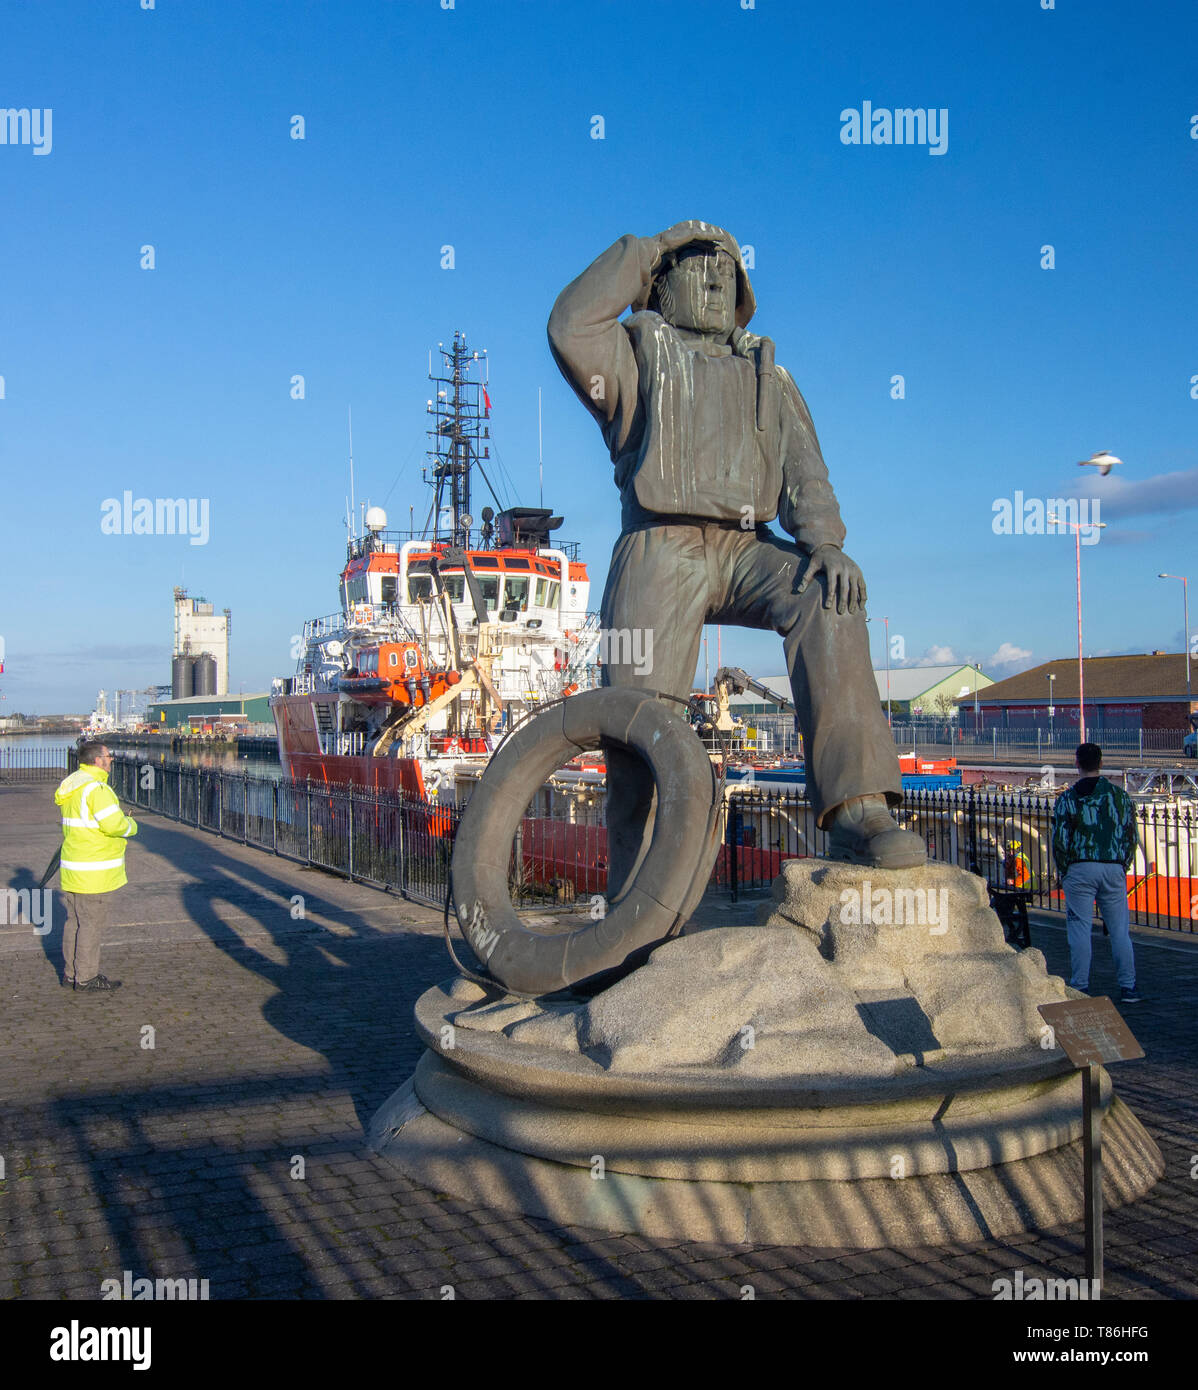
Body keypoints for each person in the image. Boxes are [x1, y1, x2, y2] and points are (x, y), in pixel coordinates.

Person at [548, 220, 924, 897]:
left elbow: (807, 475)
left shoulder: (768, 375)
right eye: (700, 266)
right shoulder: (635, 359)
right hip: (660, 545)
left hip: (747, 546)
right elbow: (570, 324)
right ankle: (639, 900)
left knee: (826, 595)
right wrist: (648, 248)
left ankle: (858, 809)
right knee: (638, 724)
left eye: (730, 269)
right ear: (660, 286)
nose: (720, 278)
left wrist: (827, 544)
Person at [1051, 743, 1141, 1002]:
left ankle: (1080, 986)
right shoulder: (1119, 796)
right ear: (1101, 763)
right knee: (1120, 930)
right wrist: (1123, 864)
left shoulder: (1067, 799)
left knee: (1079, 929)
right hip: (1112, 866)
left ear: (1076, 763)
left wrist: (1065, 870)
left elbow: (1060, 840)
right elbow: (1130, 835)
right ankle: (1129, 986)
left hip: (1079, 868)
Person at [53, 741, 138, 992]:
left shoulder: (73, 784)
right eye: (109, 756)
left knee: (74, 922)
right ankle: (87, 977)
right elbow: (113, 825)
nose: (111, 760)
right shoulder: (97, 789)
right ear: (98, 760)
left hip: (73, 867)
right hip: (94, 870)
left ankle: (71, 973)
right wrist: (131, 825)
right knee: (91, 924)